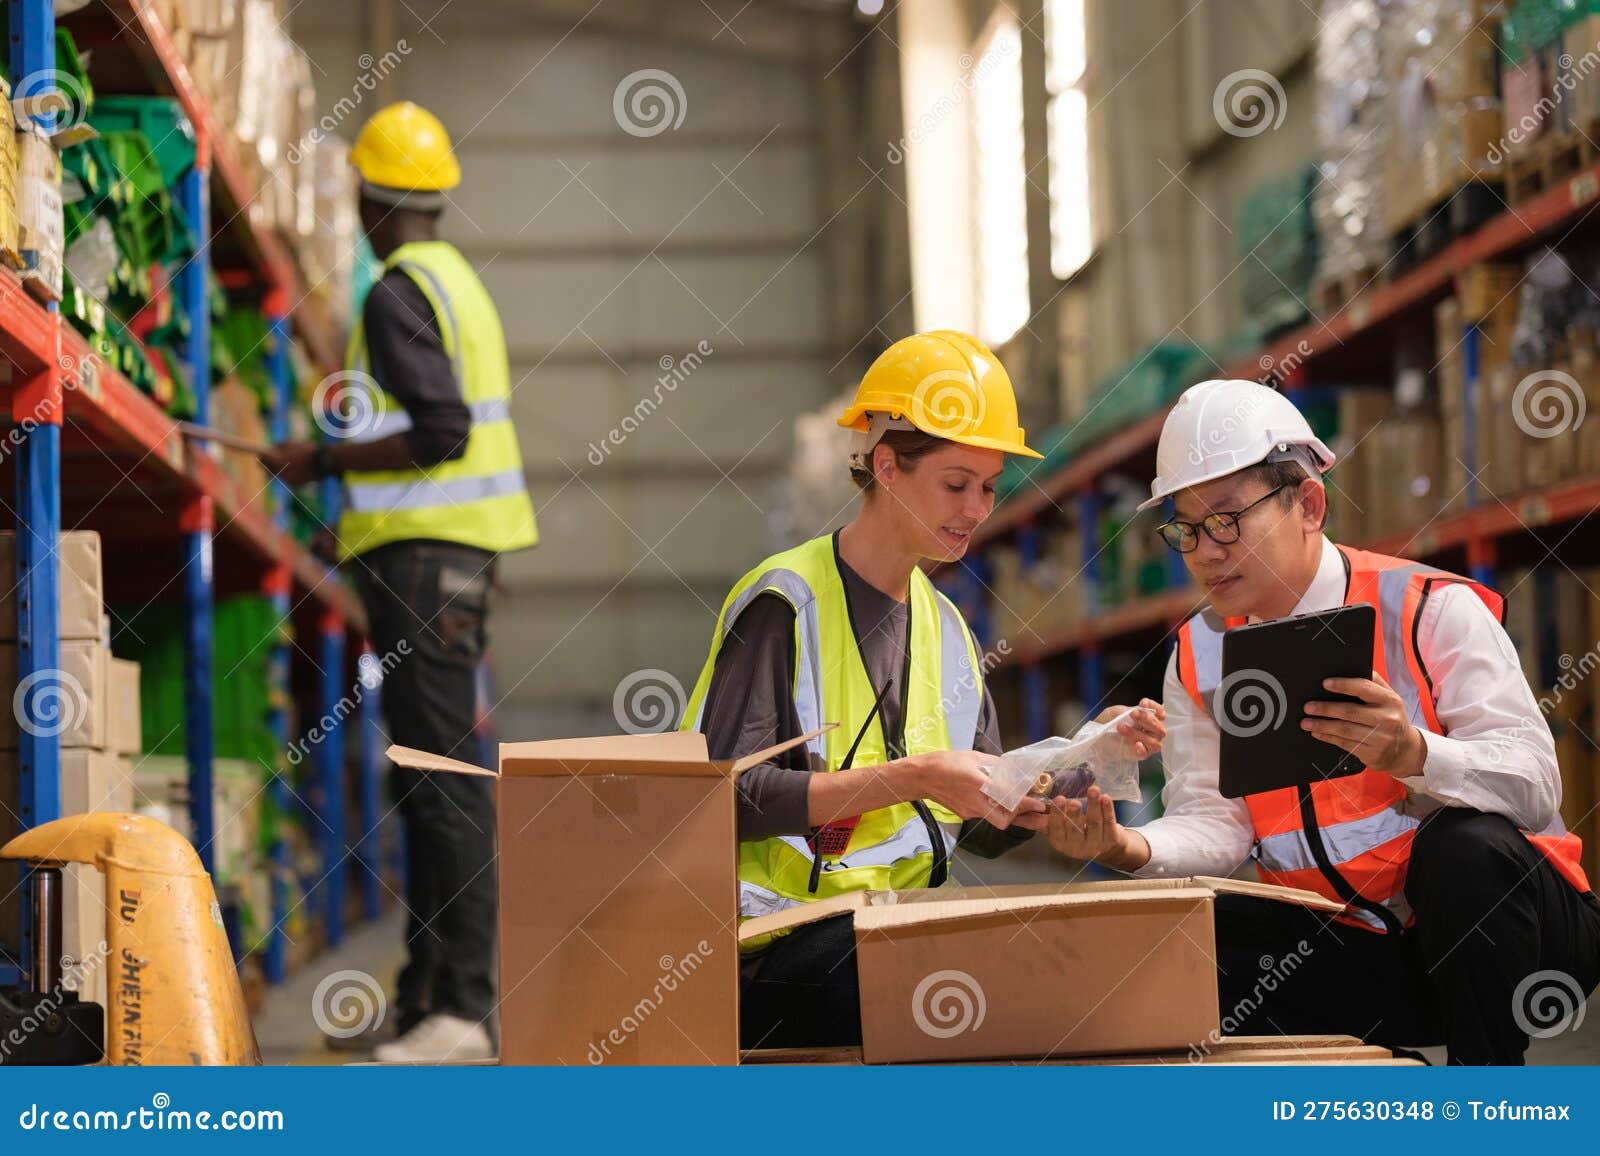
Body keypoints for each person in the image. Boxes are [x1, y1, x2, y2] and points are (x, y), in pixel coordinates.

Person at [1044, 377, 1600, 1064]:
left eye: (1226, 520)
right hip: (1360, 948)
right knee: (1192, 936)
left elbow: (1537, 787)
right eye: (1186, 529)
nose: (1206, 551)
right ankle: (1369, 1083)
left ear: (1309, 504)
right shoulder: (1200, 655)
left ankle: (1483, 1099)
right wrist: (1123, 847)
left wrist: (1416, 754)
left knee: (1465, 848)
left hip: (1518, 940)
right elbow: (1216, 822)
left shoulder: (1427, 609)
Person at [681, 330, 1166, 1049]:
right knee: (979, 996)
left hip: (896, 928)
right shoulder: (785, 602)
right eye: (956, 484)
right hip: (770, 946)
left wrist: (1088, 756)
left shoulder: (945, 629)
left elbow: (984, 826)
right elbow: (724, 799)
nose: (977, 509)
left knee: (1068, 971)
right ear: (887, 466)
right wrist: (917, 776)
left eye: (989, 488)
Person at [263, 102, 537, 1063]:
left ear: (369, 203)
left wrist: (320, 459)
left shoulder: (396, 292)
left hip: (427, 564)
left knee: (446, 786)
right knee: (427, 780)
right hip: (444, 556)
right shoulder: (456, 282)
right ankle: (428, 1002)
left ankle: (461, 1011)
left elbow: (441, 430)